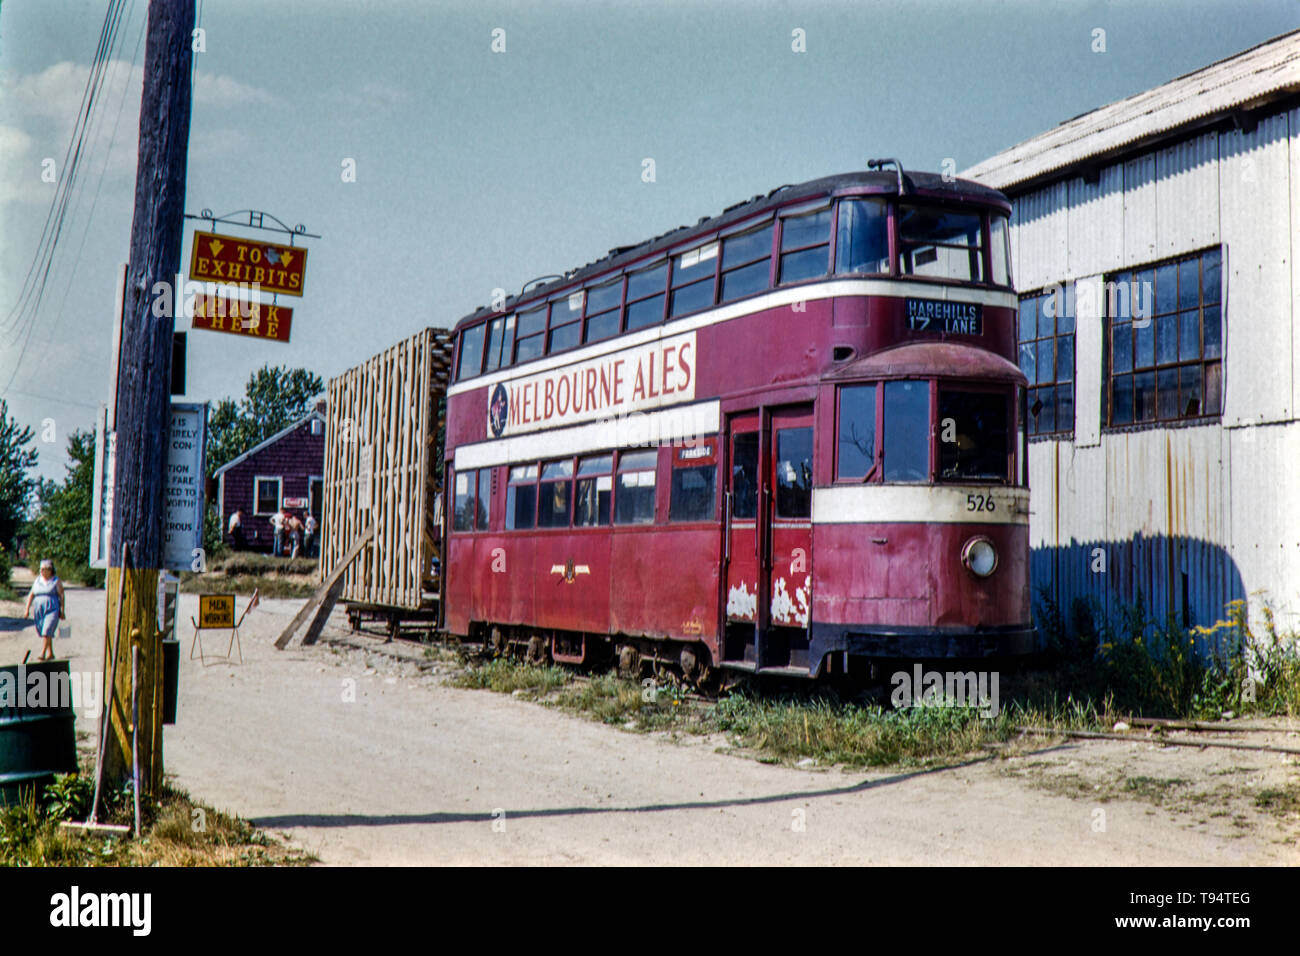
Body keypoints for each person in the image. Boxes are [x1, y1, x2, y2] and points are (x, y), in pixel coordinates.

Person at [24, 559, 65, 662]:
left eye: (45, 569)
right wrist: (27, 609)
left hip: (52, 608)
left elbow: (62, 595)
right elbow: (31, 595)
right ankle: (50, 653)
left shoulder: (56, 581)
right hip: (39, 609)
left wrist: (62, 610)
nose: (43, 571)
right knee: (45, 630)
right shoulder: (37, 581)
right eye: (41, 569)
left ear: (51, 570)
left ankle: (42, 653)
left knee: (47, 630)